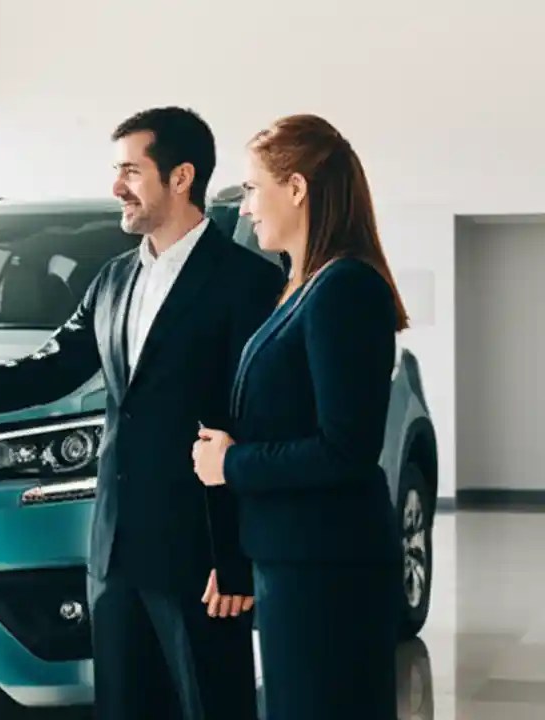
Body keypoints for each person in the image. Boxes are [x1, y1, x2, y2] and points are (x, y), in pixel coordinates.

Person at [0, 107, 284, 720]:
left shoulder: (246, 281)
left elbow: (252, 419)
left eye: (130, 171)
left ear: (181, 177)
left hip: (200, 554)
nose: (116, 187)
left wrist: (235, 559)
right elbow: (57, 362)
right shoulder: (115, 278)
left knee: (210, 705)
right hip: (114, 549)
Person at [192, 114, 409, 719]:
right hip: (294, 559)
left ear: (296, 189)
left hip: (327, 568)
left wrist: (232, 462)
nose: (246, 207)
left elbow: (346, 448)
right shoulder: (302, 285)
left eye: (253, 189)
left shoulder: (344, 289)